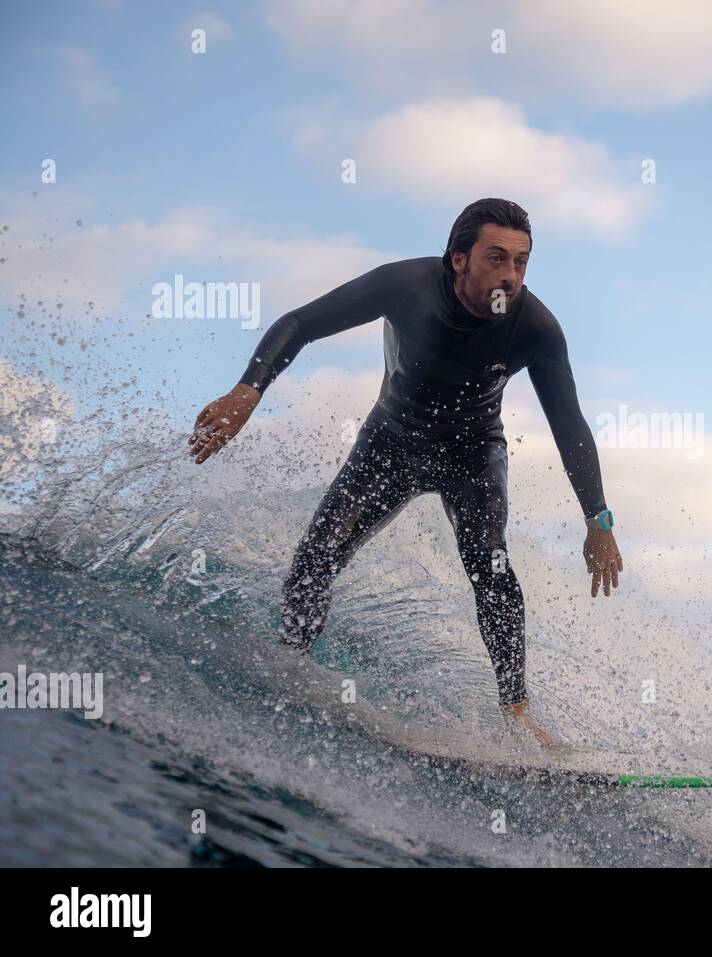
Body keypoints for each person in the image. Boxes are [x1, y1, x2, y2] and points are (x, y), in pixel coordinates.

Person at [186, 198, 622, 748]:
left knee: (490, 566)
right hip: (391, 442)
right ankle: (290, 665)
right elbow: (301, 322)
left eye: (521, 262)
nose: (509, 276)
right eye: (496, 258)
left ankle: (516, 713)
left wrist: (597, 518)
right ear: (459, 259)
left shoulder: (535, 327)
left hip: (472, 452)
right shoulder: (407, 286)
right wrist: (248, 389)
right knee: (315, 557)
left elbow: (570, 424)